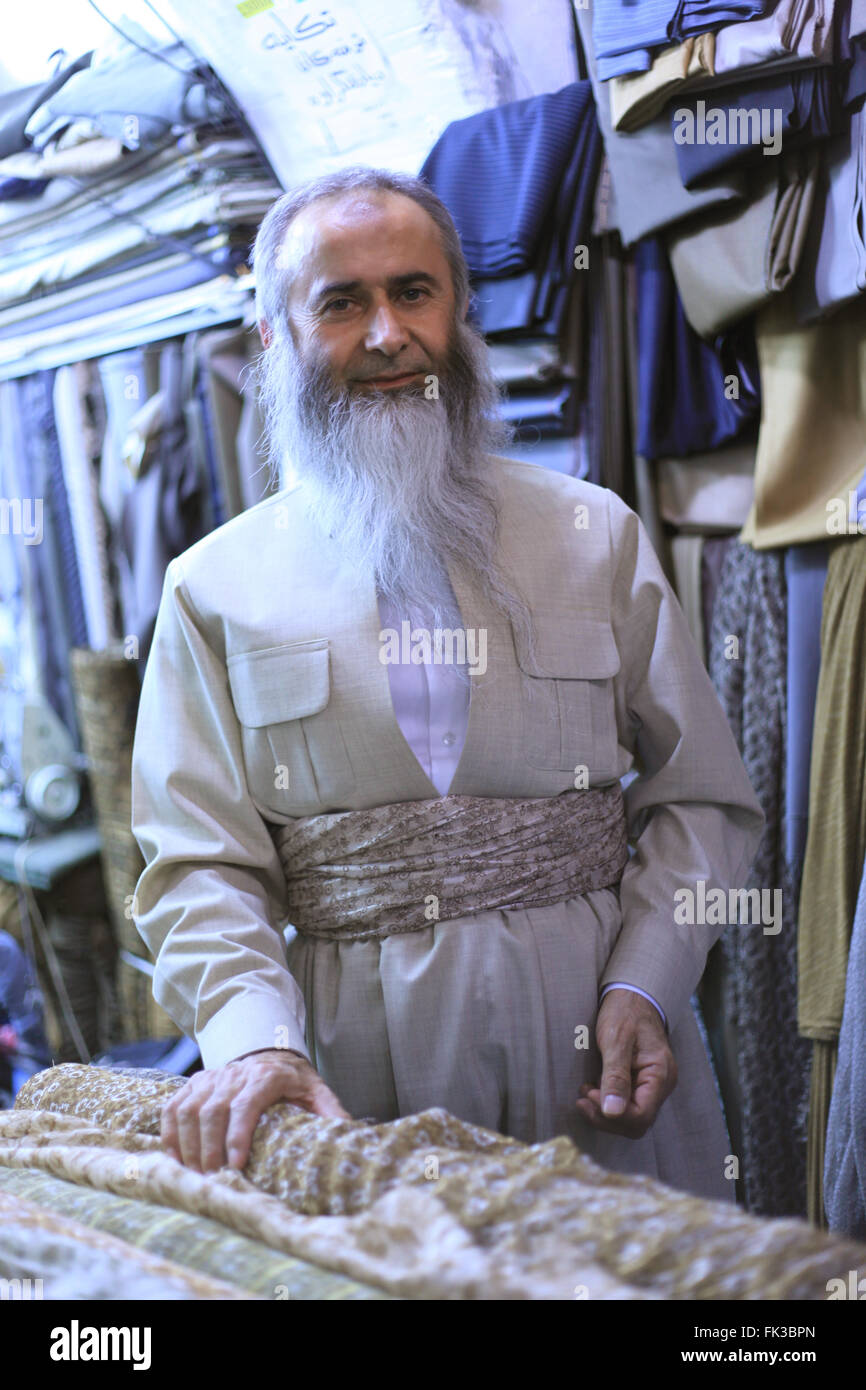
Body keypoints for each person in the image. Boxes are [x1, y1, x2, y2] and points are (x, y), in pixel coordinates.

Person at [130, 166, 764, 1199]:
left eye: (412, 292)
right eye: (340, 303)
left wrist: (644, 980)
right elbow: (199, 861)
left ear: (459, 312)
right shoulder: (213, 588)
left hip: (595, 1053)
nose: (387, 335)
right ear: (273, 337)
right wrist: (253, 1043)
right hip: (346, 1071)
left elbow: (698, 797)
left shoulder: (591, 532)